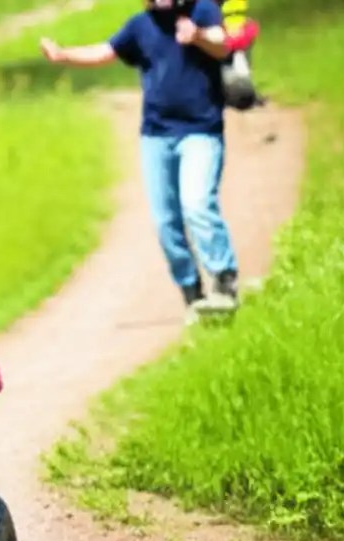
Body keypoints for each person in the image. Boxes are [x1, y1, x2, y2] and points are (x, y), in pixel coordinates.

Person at [40, 0, 240, 324]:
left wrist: (197, 36)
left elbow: (222, 45)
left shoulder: (201, 10)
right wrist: (64, 55)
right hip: (156, 136)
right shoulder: (140, 26)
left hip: (200, 131)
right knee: (165, 221)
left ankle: (224, 280)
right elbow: (106, 51)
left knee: (198, 203)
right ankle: (192, 294)